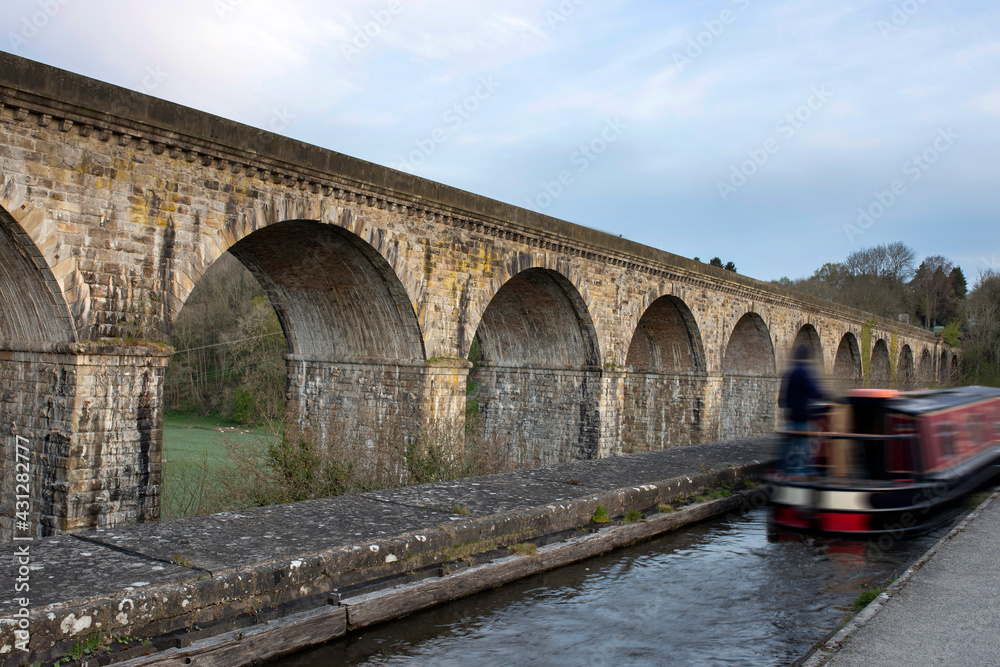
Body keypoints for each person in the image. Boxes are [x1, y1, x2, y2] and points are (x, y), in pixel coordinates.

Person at [778, 344, 826, 477]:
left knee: (789, 446)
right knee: (804, 445)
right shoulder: (803, 372)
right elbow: (814, 391)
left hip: (790, 417)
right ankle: (797, 473)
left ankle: (784, 471)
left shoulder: (790, 372)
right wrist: (828, 396)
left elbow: (782, 399)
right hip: (801, 417)